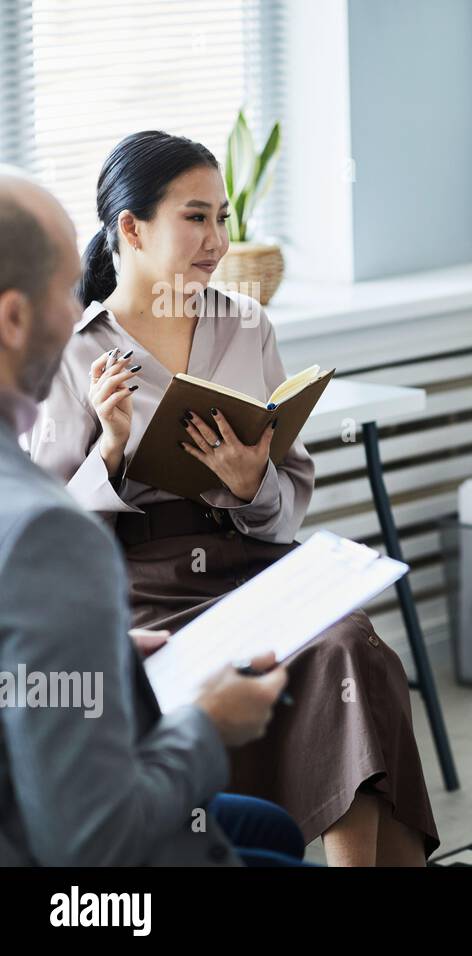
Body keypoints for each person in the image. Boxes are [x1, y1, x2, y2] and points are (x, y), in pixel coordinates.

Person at [28, 131, 438, 866]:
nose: (217, 239)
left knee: (352, 646)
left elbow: (285, 511)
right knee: (341, 658)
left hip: (250, 565)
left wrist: (251, 482)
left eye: (223, 217)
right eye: (196, 218)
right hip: (140, 587)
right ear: (130, 227)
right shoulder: (75, 348)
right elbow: (49, 533)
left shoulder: (247, 325)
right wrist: (111, 452)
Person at [0, 166, 305, 866]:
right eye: (64, 288)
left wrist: (91, 654)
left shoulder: (243, 323)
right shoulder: (47, 533)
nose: (78, 308)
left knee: (272, 831)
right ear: (16, 319)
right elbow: (92, 846)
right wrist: (207, 724)